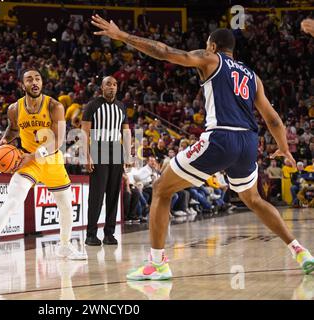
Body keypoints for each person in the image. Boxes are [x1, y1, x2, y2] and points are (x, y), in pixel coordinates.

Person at [91, 16, 314, 278]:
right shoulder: (252, 77)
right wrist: (284, 148)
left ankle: (157, 264)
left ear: (212, 46)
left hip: (221, 137)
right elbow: (273, 119)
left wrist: (124, 36)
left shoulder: (211, 59)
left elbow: (165, 52)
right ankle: (300, 251)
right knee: (253, 199)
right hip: (248, 142)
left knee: (161, 189)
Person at [0, 68, 87, 267]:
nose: (34, 82)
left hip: (50, 159)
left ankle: (64, 246)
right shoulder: (14, 109)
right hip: (27, 160)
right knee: (12, 202)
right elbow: (12, 129)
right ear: (23, 84)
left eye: (37, 79)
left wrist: (33, 156)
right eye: (29, 79)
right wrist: (0, 144)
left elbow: (59, 140)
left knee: (65, 206)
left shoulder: (55, 106)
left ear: (42, 83)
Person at [81, 76, 132, 246]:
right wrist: (86, 155)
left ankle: (109, 233)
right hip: (98, 148)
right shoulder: (92, 105)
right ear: (102, 87)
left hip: (116, 150)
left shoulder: (121, 106)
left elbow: (126, 132)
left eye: (115, 84)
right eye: (108, 84)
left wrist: (128, 154)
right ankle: (91, 234)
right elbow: (84, 132)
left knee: (113, 194)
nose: (112, 87)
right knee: (97, 195)